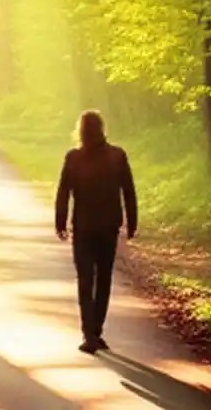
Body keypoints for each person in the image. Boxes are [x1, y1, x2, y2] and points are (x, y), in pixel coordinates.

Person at [54, 110, 138, 354]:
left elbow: (63, 192)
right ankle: (96, 330)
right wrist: (132, 222)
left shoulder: (73, 158)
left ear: (80, 131)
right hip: (108, 228)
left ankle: (88, 332)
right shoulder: (117, 156)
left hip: (83, 227)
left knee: (85, 279)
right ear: (102, 129)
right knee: (103, 279)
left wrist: (60, 221)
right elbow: (129, 191)